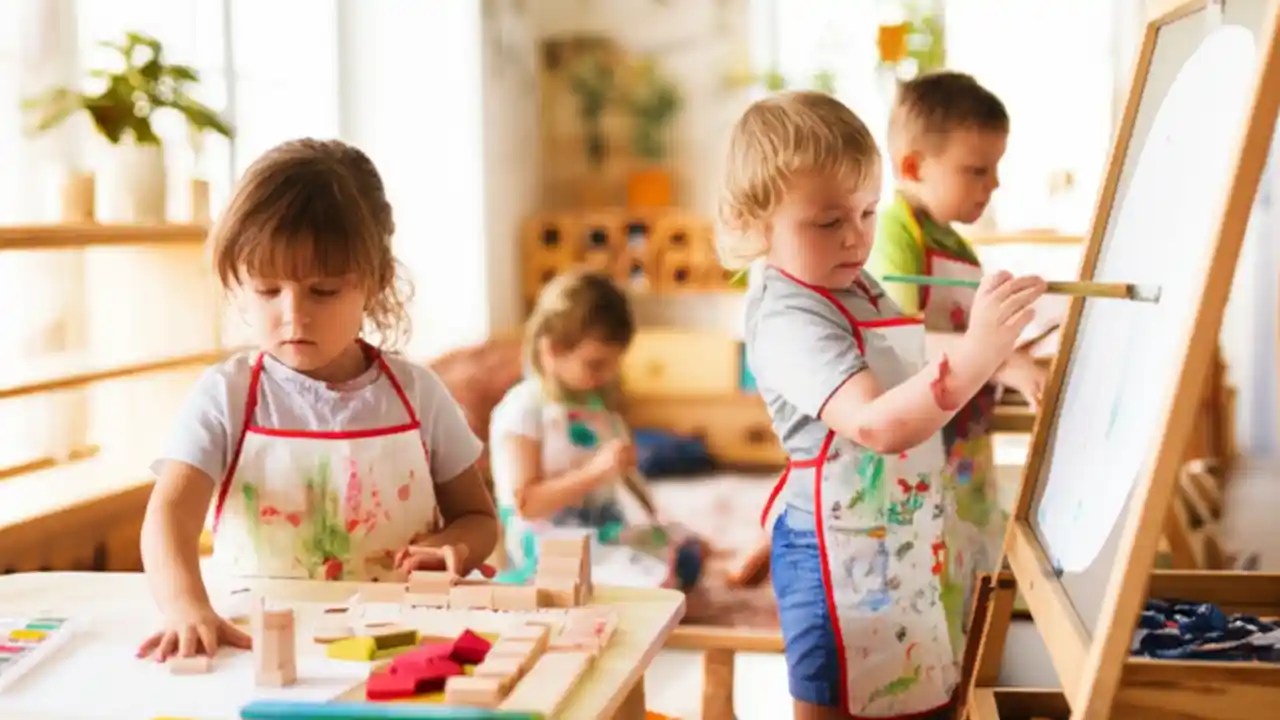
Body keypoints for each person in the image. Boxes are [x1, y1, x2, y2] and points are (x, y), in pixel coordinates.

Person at [719, 90, 1044, 719]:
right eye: (828, 220)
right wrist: (981, 352)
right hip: (830, 553)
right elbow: (875, 422)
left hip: (892, 534)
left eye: (868, 212)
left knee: (914, 692)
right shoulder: (789, 315)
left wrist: (993, 350)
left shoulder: (855, 281)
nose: (857, 236)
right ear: (755, 221)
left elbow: (914, 360)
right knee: (841, 701)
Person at [136, 138, 499, 663]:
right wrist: (185, 606)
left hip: (395, 641)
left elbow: (479, 519)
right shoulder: (228, 395)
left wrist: (455, 548)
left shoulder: (418, 396)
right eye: (267, 290)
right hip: (258, 645)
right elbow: (168, 517)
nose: (293, 315)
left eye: (323, 291)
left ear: (375, 283)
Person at [867, 71, 1052, 634]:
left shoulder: (957, 244)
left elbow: (968, 334)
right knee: (924, 580)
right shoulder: (895, 231)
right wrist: (1003, 359)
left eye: (995, 168)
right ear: (914, 167)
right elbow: (901, 343)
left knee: (970, 569)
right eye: (976, 170)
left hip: (965, 442)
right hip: (921, 445)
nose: (991, 184)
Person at [488, 270, 704, 591]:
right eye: (595, 363)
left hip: (600, 529)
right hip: (550, 544)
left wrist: (652, 512)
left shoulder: (592, 405)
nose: (606, 375)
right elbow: (526, 503)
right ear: (551, 351)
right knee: (651, 580)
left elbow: (629, 485)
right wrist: (596, 471)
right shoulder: (524, 409)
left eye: (613, 363)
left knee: (686, 553)